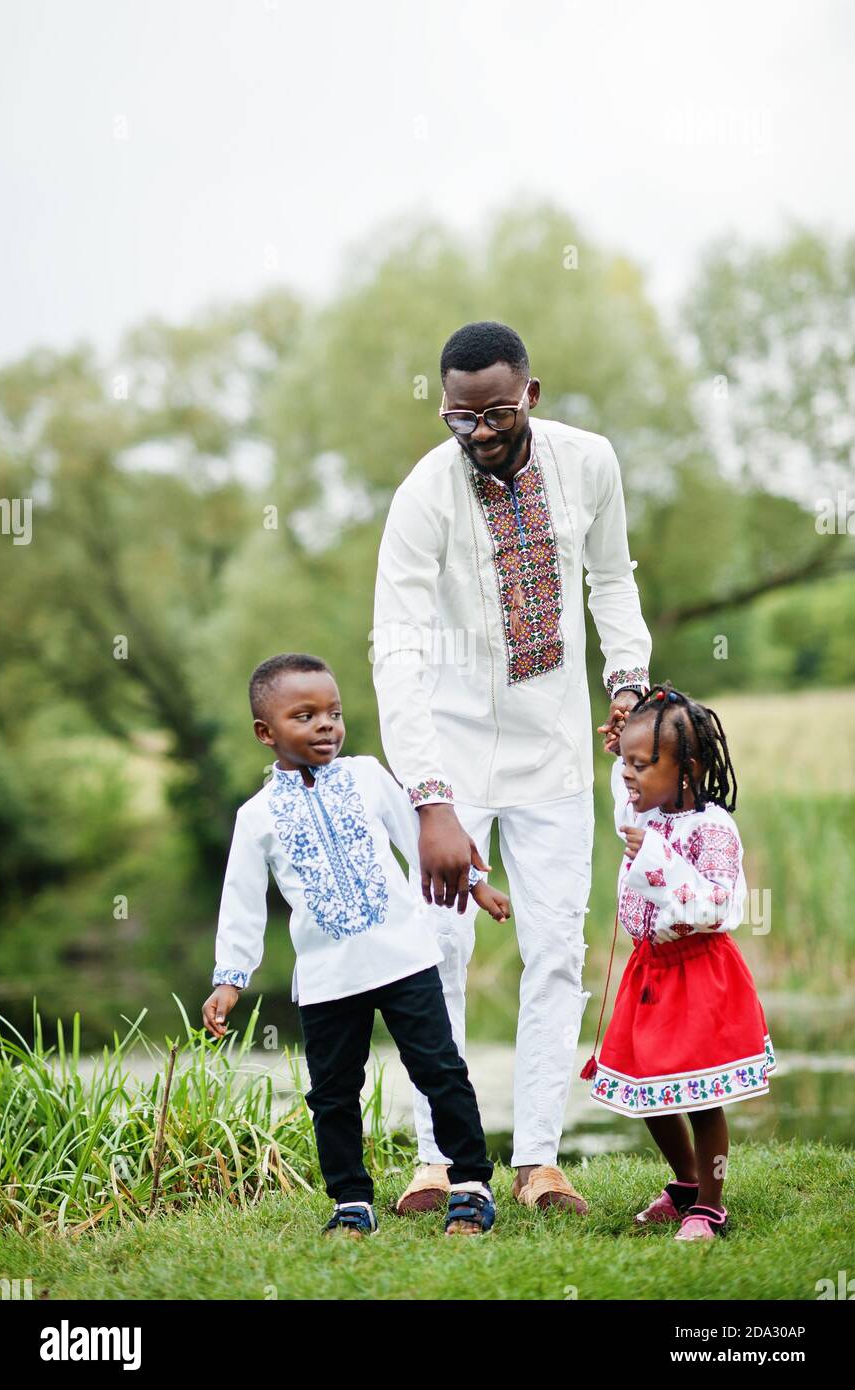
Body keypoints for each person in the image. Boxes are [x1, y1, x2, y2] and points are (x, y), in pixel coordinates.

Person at [371, 320, 652, 1215]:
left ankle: (538, 1162)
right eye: (460, 417)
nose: (479, 433)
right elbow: (397, 650)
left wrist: (628, 682)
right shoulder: (425, 494)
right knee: (440, 950)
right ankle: (439, 1162)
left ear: (530, 394)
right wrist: (429, 798)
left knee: (556, 953)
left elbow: (611, 579)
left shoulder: (589, 463)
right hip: (450, 757)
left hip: (558, 751)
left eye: (494, 412)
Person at [202, 652, 511, 1237]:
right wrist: (229, 979)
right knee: (334, 1095)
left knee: (440, 1069)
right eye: (306, 715)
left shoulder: (368, 775)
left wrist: (476, 883)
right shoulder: (256, 816)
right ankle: (351, 1201)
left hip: (405, 959)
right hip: (327, 980)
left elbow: (421, 835)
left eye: (334, 713)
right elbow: (240, 901)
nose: (327, 725)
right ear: (266, 733)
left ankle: (470, 1185)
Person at [583, 681, 777, 1241]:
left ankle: (710, 1205)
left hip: (697, 969)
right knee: (648, 1090)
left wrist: (655, 856)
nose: (628, 776)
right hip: (648, 970)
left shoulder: (711, 827)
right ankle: (686, 1183)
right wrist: (627, 741)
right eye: (626, 764)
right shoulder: (647, 805)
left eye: (642, 765)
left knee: (700, 1094)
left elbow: (717, 905)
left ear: (687, 769)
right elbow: (631, 785)